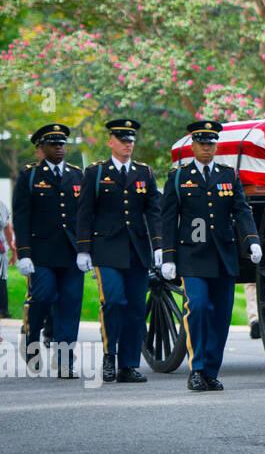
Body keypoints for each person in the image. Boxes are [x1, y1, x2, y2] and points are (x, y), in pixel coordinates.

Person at [161, 121, 262, 391]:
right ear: (193, 145)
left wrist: (252, 240)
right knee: (199, 306)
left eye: (211, 144)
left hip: (223, 255)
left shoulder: (228, 175)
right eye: (202, 143)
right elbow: (169, 218)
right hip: (192, 256)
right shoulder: (179, 176)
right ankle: (197, 369)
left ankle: (211, 372)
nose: (207, 148)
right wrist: (168, 256)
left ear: (216, 146)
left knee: (221, 315)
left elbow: (241, 210)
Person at [76, 118, 162, 384]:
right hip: (106, 248)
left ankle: (128, 364)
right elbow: (85, 212)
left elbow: (154, 211)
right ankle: (108, 355)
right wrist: (83, 249)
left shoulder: (144, 172)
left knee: (136, 307)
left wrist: (159, 245)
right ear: (110, 142)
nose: (128, 144)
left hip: (136, 249)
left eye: (131, 140)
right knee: (113, 301)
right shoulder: (96, 172)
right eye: (123, 140)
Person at [12, 123, 84, 377]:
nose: (59, 148)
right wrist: (23, 252)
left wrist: (87, 249)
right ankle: (31, 337)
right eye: (53, 144)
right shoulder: (30, 175)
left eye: (62, 143)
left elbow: (85, 216)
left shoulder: (77, 175)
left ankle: (65, 361)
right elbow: (21, 217)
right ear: (40, 148)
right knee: (42, 296)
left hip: (71, 252)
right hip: (41, 252)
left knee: (70, 304)